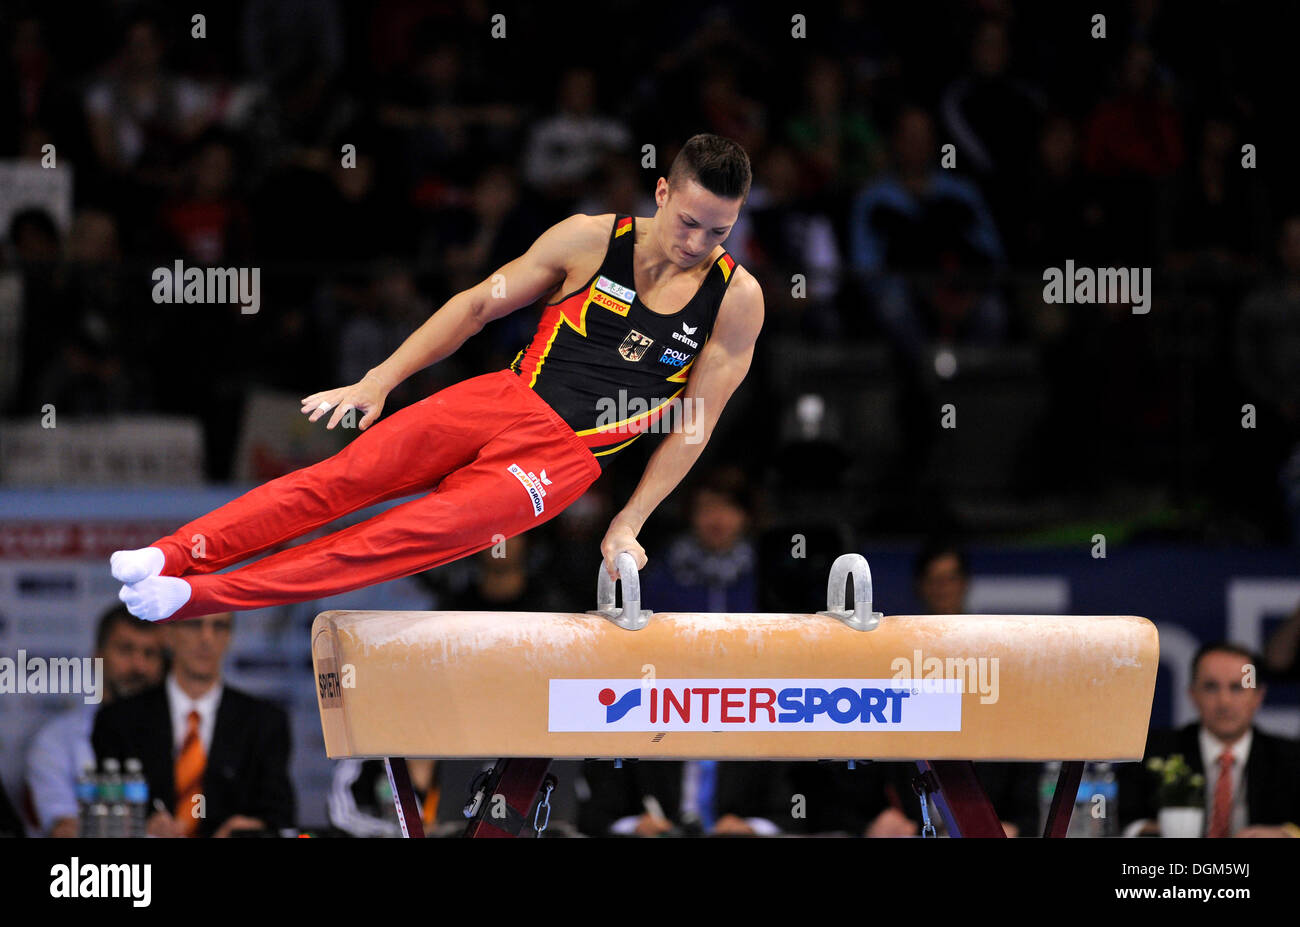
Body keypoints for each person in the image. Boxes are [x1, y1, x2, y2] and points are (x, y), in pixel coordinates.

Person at [109, 134, 764, 622]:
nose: (697, 242)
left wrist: (629, 521)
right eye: (688, 221)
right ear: (661, 193)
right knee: (335, 481)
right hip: (498, 397)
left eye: (719, 230)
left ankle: (195, 595)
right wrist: (379, 379)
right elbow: (478, 304)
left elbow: (693, 426)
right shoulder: (589, 239)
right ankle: (172, 553)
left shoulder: (736, 300)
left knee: (387, 541)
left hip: (556, 461)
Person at [92, 612, 296, 837]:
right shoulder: (118, 720)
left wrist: (246, 831)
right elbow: (104, 812)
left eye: (219, 626)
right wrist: (144, 827)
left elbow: (280, 817)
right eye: (194, 624)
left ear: (230, 637)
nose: (206, 638)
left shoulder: (265, 722)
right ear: (168, 634)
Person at [1118, 643, 1300, 838]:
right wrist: (1155, 831)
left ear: (1258, 696)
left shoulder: (1292, 758)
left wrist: (1286, 834)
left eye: (1237, 687)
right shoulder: (1153, 751)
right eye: (1211, 687)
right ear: (1192, 694)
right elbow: (1118, 818)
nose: (1224, 702)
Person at [25, 604, 164, 837]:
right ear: (96, 657)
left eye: (150, 654)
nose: (139, 666)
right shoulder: (56, 741)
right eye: (126, 650)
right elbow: (65, 832)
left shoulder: (184, 735)